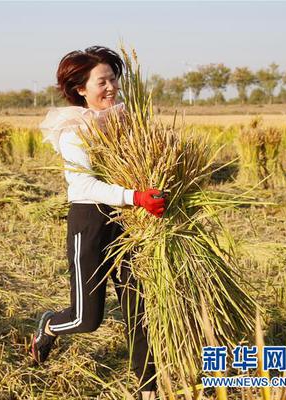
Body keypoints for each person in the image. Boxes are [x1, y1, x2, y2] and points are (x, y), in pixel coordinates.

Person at [30, 46, 167, 400]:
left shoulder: (125, 121)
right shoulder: (73, 129)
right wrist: (135, 196)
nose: (111, 87)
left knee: (140, 307)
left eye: (114, 79)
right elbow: (84, 184)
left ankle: (147, 387)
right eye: (102, 81)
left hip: (130, 222)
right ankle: (49, 325)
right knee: (86, 319)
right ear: (81, 89)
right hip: (90, 221)